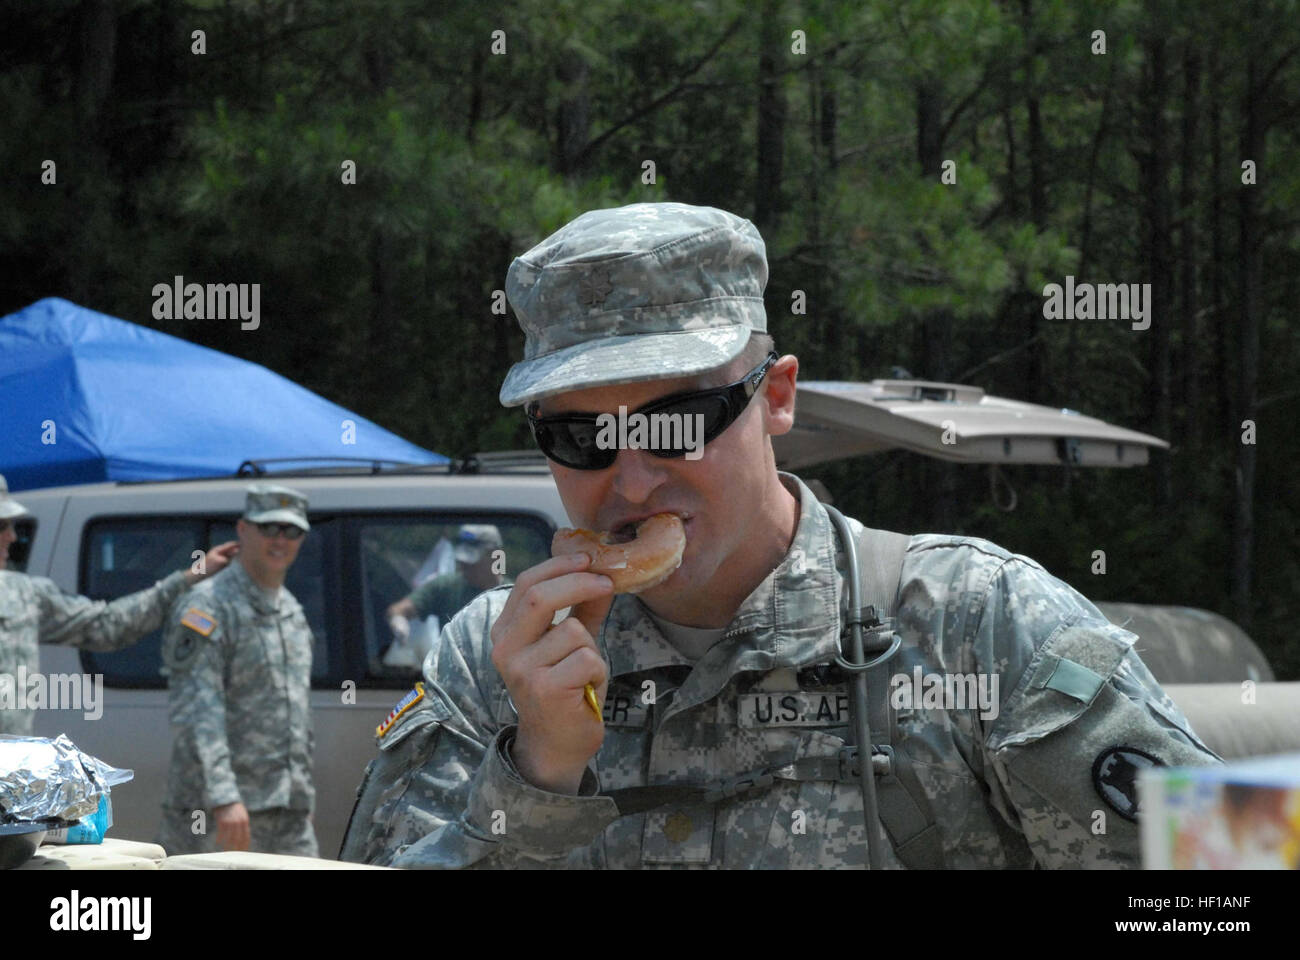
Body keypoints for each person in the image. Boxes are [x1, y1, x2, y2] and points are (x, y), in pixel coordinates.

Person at [340, 202, 1221, 869]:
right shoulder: (489, 665)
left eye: (679, 420)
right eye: (581, 438)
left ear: (777, 397)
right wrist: (538, 774)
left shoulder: (974, 625)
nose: (635, 480)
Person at [0, 473, 236, 736]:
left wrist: (191, 576)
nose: (11, 536)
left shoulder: (22, 594)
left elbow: (108, 625)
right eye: (2, 526)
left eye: (11, 526)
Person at [156, 483, 317, 857]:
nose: (280, 540)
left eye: (292, 530)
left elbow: (297, 714)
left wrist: (302, 795)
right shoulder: (208, 608)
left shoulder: (291, 611)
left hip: (287, 812)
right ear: (243, 530)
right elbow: (197, 711)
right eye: (269, 528)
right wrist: (224, 798)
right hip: (221, 813)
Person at [386, 524, 505, 627]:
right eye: (462, 562)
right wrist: (398, 619)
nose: (464, 567)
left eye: (472, 562)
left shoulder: (512, 593)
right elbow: (399, 609)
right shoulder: (446, 586)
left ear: (494, 555)